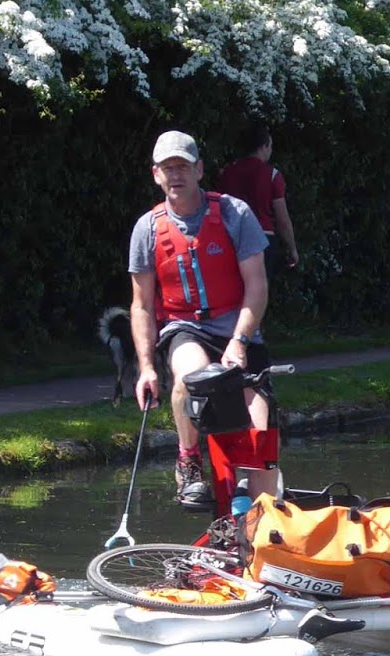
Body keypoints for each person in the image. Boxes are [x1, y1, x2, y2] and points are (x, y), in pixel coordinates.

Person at [128, 130, 276, 515]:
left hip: (237, 329)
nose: (175, 175)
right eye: (167, 168)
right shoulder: (147, 229)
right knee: (193, 376)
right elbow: (142, 305)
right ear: (156, 175)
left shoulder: (233, 213)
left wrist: (240, 341)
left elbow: (256, 285)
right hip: (185, 327)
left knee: (259, 434)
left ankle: (262, 527)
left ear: (198, 170)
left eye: (182, 166)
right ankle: (188, 460)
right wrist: (145, 368)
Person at [218, 119, 299, 278]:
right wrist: (292, 247)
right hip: (263, 237)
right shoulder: (272, 175)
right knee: (258, 291)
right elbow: (282, 220)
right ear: (264, 146)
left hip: (232, 236)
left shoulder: (228, 172)